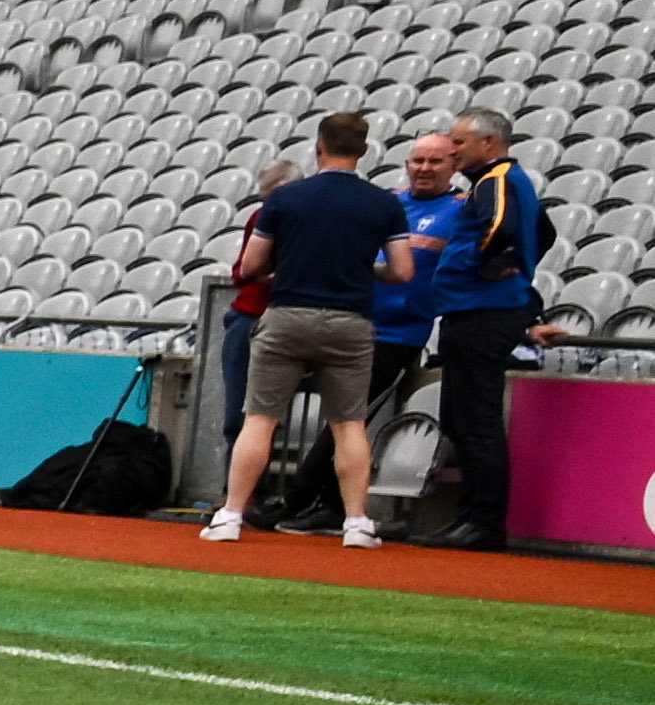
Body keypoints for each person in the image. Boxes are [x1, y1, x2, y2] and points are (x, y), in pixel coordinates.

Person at [205, 117, 406, 546]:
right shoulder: (384, 203)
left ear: (319, 147)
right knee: (349, 425)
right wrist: (360, 268)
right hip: (350, 321)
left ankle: (230, 515)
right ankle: (356, 524)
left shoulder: (286, 199)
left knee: (259, 419)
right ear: (364, 151)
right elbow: (402, 271)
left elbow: (253, 265)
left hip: (289, 315)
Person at [404, 113, 551, 546]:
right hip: (476, 310)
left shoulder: (497, 179)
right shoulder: (501, 179)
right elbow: (544, 231)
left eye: (459, 142)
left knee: (475, 420)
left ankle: (483, 522)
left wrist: (480, 267)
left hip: (481, 312)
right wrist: (518, 263)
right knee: (463, 416)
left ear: (488, 143)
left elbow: (500, 228)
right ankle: (472, 516)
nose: (453, 150)